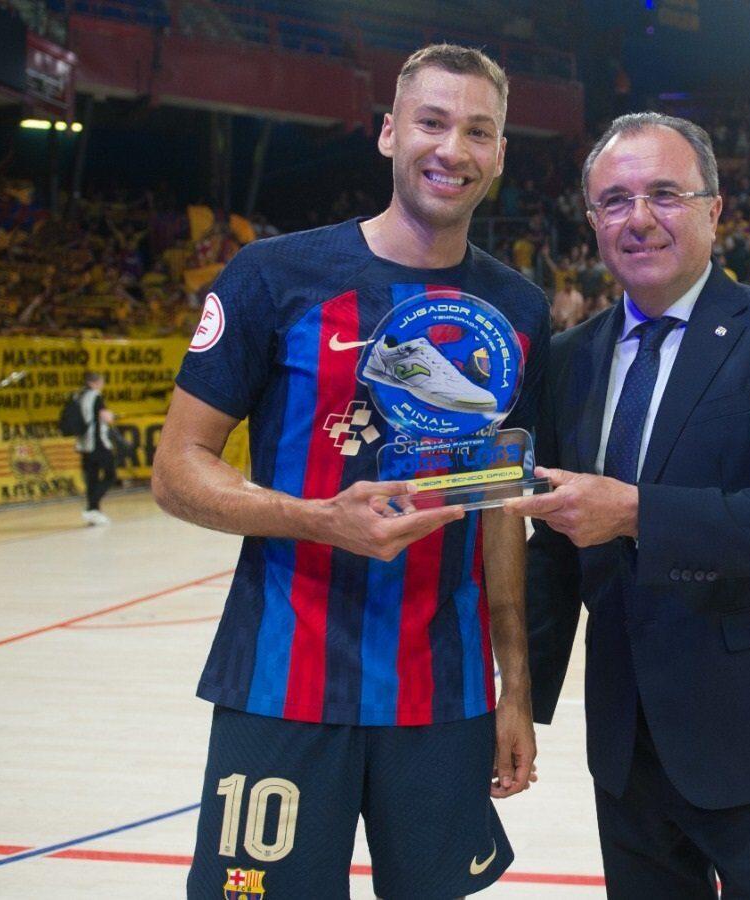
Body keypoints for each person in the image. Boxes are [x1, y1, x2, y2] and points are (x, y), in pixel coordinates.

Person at [151, 45, 548, 899]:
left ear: (501, 153)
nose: (453, 149)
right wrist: (318, 518)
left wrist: (516, 686)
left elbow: (502, 507)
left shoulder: (519, 310)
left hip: (444, 694)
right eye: (432, 122)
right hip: (281, 679)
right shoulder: (274, 276)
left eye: (479, 131)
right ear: (388, 134)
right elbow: (176, 468)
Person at [513, 112, 750, 897]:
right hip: (627, 743)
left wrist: (636, 512)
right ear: (593, 219)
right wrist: (515, 697)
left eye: (664, 194)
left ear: (714, 208)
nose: (638, 219)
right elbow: (557, 549)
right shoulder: (570, 359)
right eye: (615, 200)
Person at [75, 371, 117, 526]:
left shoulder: (79, 396)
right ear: (94, 382)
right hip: (98, 442)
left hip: (84, 444)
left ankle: (94, 511)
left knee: (91, 478)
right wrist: (111, 416)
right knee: (110, 474)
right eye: (101, 381)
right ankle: (92, 508)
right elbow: (106, 417)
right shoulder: (96, 396)